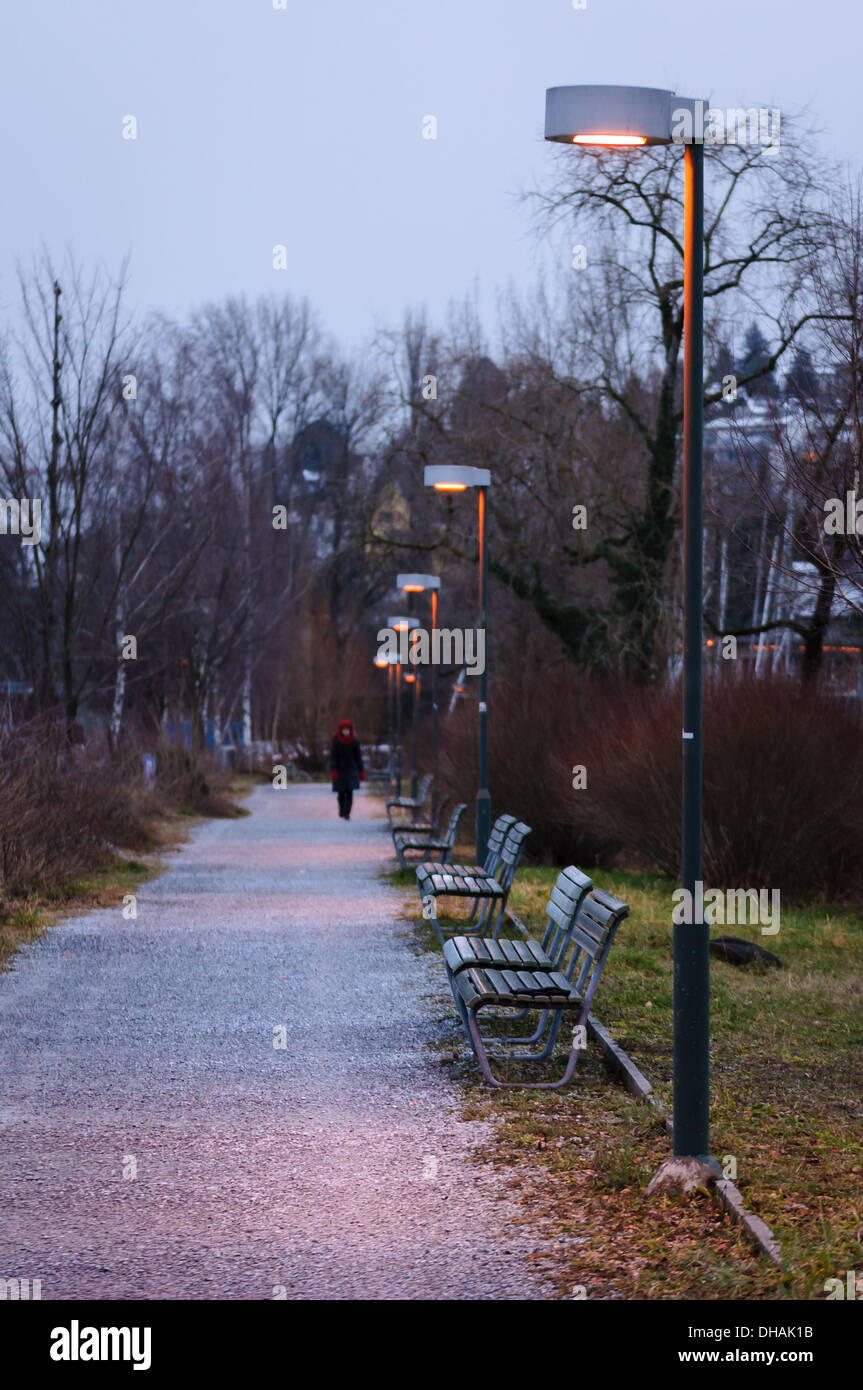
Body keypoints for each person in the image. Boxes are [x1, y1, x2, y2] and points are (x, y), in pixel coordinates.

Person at [329, 718, 364, 820]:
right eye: (344, 730)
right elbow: (333, 756)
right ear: (341, 730)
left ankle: (347, 812)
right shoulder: (336, 742)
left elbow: (358, 757)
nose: (346, 732)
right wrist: (333, 769)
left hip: (351, 770)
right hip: (340, 770)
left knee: (349, 792)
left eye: (347, 730)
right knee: (341, 793)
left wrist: (361, 770)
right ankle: (341, 809)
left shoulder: (355, 742)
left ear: (350, 730)